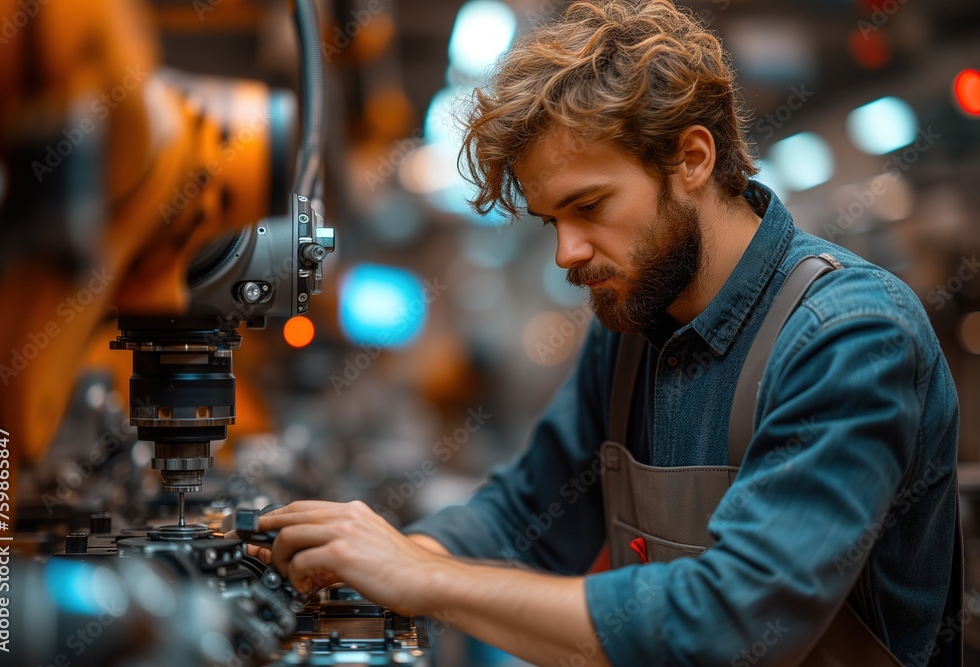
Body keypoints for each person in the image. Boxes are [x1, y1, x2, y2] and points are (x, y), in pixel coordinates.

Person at [240, 1, 961, 664]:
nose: (567, 253)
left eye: (590, 206)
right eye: (554, 221)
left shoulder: (848, 336)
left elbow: (733, 624)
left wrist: (425, 578)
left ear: (693, 158)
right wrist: (380, 556)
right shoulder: (632, 330)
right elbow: (528, 514)